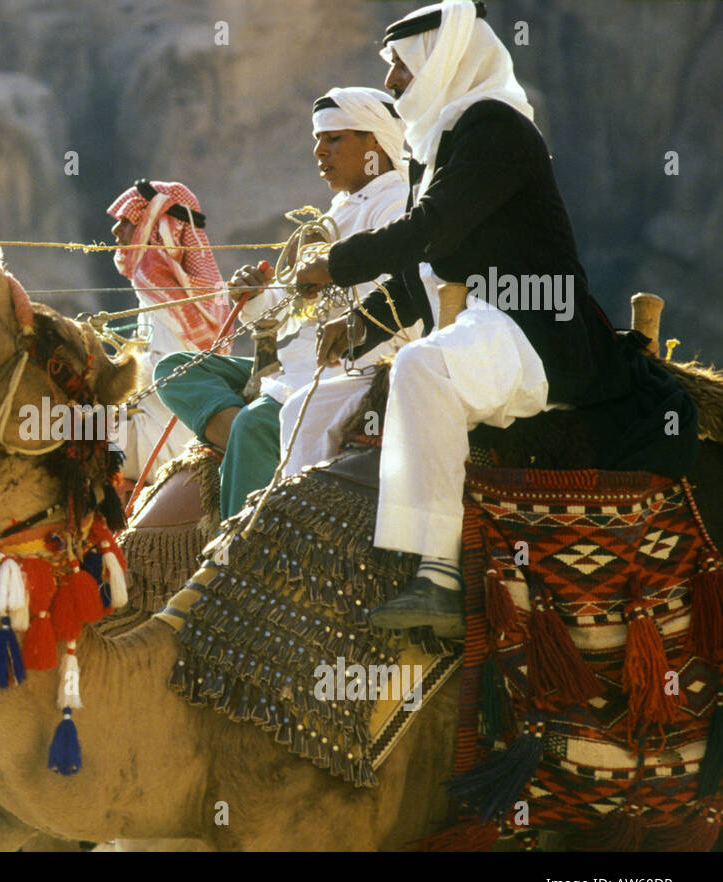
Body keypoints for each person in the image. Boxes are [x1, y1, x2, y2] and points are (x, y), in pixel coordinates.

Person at [292, 0, 699, 635]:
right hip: (488, 322)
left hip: (538, 328)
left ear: (442, 62)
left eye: (400, 67)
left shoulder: (497, 129)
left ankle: (437, 577)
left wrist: (335, 265)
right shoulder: (442, 142)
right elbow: (424, 271)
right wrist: (362, 325)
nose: (394, 83)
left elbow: (431, 229)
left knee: (423, 369)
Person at [154, 88, 409, 520]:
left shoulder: (398, 203)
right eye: (317, 140)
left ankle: (238, 555)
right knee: (175, 370)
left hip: (350, 363)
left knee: (255, 425)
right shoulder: (341, 210)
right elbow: (295, 314)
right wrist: (257, 298)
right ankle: (247, 436)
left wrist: (330, 283)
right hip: (295, 362)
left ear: (375, 142)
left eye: (334, 139)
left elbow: (396, 300)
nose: (318, 152)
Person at [105, 180, 230, 487]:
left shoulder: (170, 300)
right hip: (152, 426)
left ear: (152, 226)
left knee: (54, 430)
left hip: (164, 441)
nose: (115, 231)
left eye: (126, 222)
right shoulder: (165, 296)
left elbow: (166, 381)